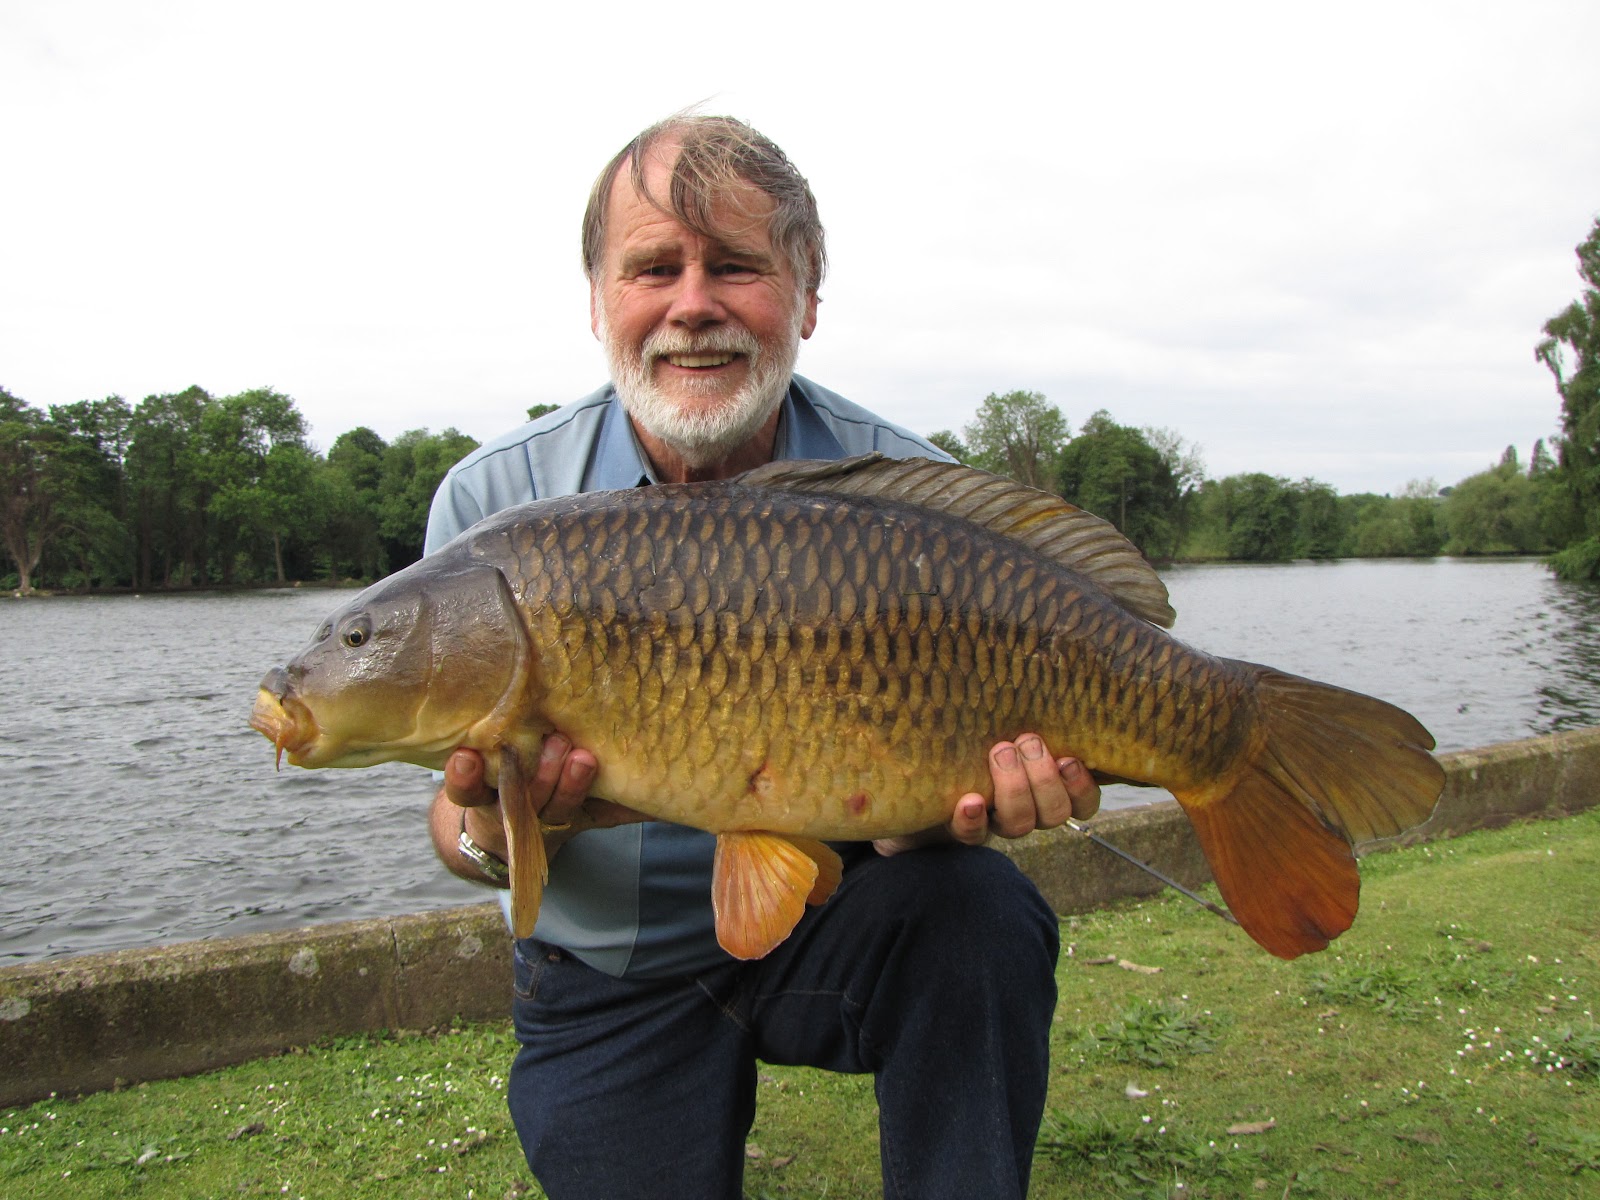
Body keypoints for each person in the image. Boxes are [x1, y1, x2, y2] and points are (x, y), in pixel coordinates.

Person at [423, 113, 1101, 1200]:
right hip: (604, 968)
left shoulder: (910, 498)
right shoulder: (491, 511)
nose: (693, 304)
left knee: (980, 908)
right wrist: (503, 826)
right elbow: (457, 838)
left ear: (807, 297)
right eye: (654, 268)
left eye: (736, 265)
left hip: (838, 924)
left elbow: (916, 826)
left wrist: (956, 800)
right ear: (600, 299)